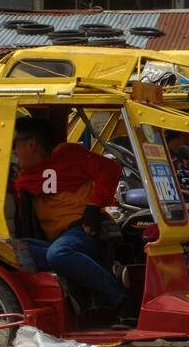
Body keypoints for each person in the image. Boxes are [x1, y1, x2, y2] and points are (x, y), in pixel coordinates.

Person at [11, 117, 125, 311]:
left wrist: (94, 206)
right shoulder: (25, 176)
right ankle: (79, 284)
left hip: (83, 232)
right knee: (8, 251)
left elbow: (110, 168)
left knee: (58, 254)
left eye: (14, 144)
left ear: (31, 144)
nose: (12, 151)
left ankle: (121, 299)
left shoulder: (70, 155)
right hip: (56, 240)